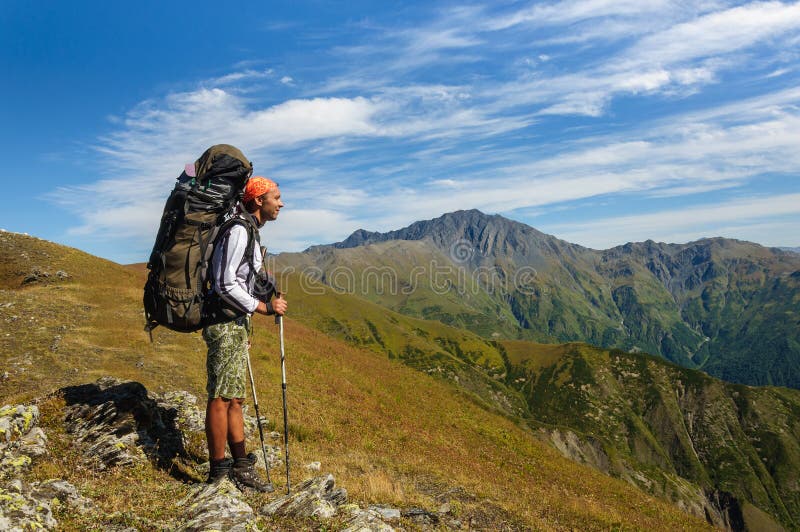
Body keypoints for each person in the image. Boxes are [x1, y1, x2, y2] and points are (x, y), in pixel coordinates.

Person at [203, 176, 287, 491]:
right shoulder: (239, 230)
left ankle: (239, 463)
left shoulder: (248, 231)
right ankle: (219, 471)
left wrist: (262, 288)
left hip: (235, 323)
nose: (281, 203)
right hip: (223, 324)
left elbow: (240, 276)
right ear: (257, 201)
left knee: (234, 397)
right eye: (276, 197)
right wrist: (262, 308)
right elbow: (224, 282)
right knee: (221, 397)